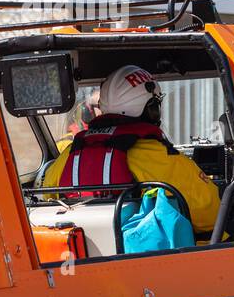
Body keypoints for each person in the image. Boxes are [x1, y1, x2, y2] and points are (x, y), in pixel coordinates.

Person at [41, 65, 221, 236]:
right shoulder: (159, 156)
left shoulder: (71, 153)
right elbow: (210, 215)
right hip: (153, 260)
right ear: (151, 110)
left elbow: (44, 196)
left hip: (80, 259)